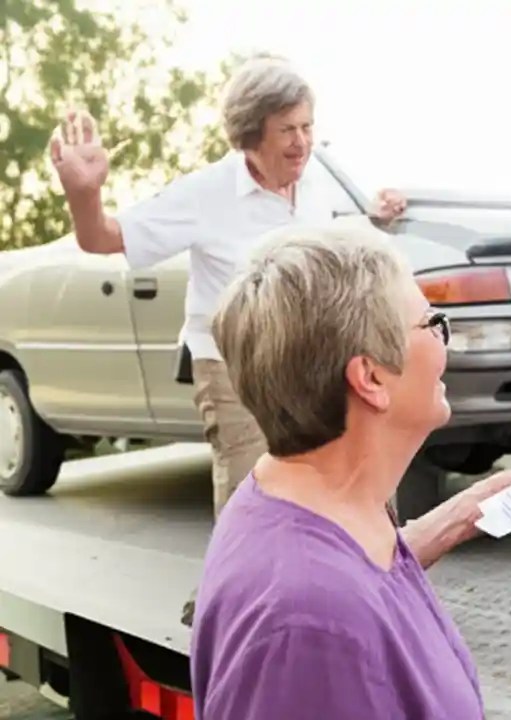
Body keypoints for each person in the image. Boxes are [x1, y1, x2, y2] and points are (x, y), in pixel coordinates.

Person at [47, 54, 408, 624]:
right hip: (234, 361)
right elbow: (100, 239)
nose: (302, 142)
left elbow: (346, 226)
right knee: (252, 489)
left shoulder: (313, 180)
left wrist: (377, 212)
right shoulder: (206, 193)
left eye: (308, 126)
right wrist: (83, 194)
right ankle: (230, 603)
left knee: (358, 464)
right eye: (287, 129)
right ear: (249, 133)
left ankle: (378, 585)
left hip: (312, 358)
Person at [189, 220, 511, 719]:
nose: (445, 342)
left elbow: (360, 575)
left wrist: (460, 517)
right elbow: (334, 603)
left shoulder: (309, 497)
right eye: (432, 324)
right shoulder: (310, 626)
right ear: (370, 377)